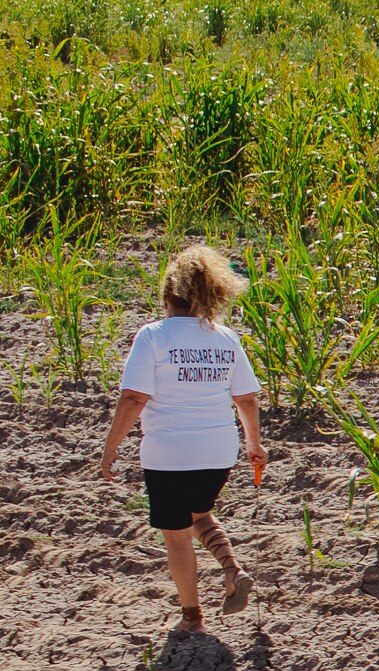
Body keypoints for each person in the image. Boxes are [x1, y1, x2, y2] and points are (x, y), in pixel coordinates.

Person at [96, 244, 268, 632]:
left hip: (170, 453)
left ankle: (192, 618)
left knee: (176, 536)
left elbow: (134, 397)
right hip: (219, 451)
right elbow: (246, 397)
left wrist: (111, 447)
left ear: (166, 295)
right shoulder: (225, 338)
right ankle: (232, 570)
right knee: (198, 514)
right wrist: (254, 444)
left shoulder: (153, 336)